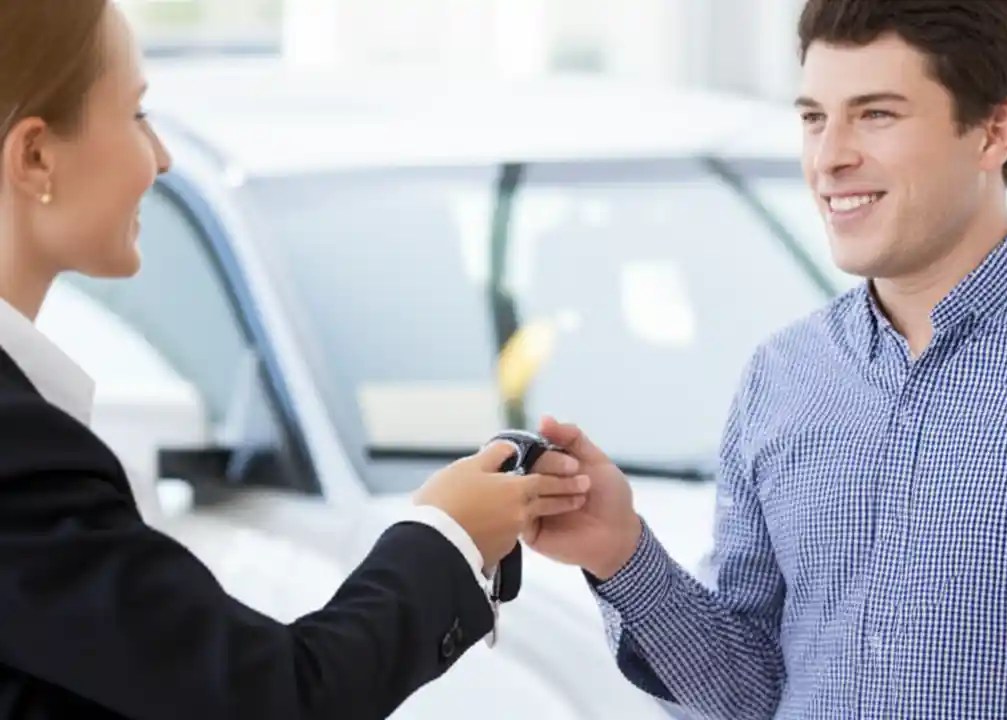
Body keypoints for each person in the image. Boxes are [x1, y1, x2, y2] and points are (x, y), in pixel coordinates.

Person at [523, 0, 1007, 717]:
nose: (829, 158)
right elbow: (749, 693)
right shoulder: (782, 378)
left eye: (875, 115)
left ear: (994, 131)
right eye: (815, 118)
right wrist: (621, 553)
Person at [0, 2, 591, 719]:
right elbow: (277, 702)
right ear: (34, 156)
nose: (160, 157)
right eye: (136, 113)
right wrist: (449, 535)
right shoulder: (22, 454)